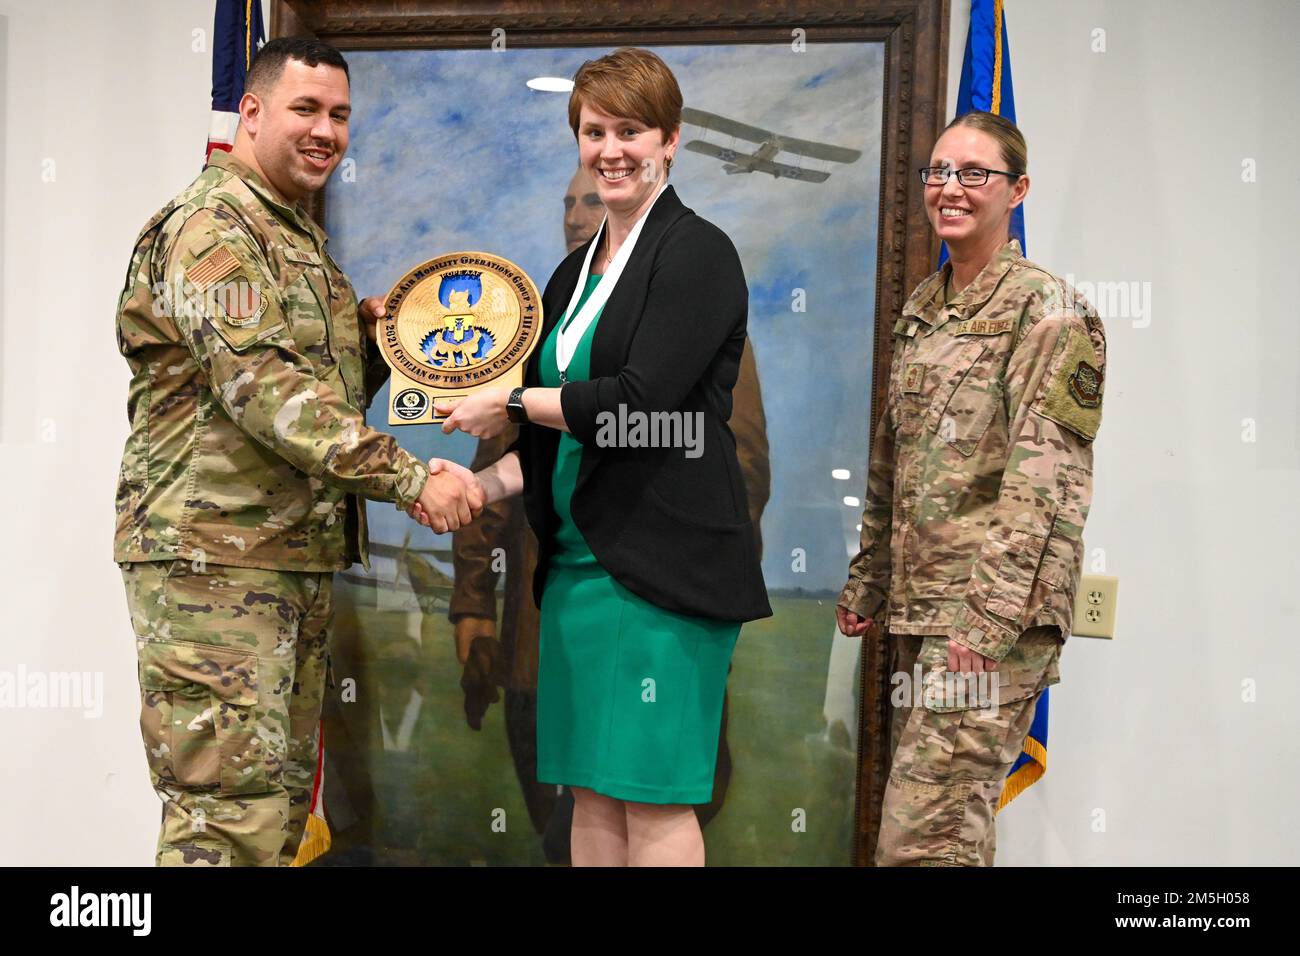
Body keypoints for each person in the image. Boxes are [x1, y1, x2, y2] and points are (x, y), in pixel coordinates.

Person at [114, 37, 480, 867]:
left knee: (274, 822)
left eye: (340, 115)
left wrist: (391, 341)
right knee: (226, 823)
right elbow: (269, 395)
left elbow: (318, 382)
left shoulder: (294, 238)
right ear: (250, 113)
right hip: (214, 571)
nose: (326, 131)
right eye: (305, 109)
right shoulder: (213, 230)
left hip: (280, 563)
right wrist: (413, 476)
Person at [421, 47, 771, 866]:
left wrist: (504, 402)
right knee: (591, 799)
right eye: (593, 130)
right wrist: (477, 484)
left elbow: (635, 406)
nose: (611, 148)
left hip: (662, 576)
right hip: (574, 574)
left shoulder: (698, 253)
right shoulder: (571, 273)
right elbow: (555, 439)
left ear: (672, 140)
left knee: (652, 802)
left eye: (631, 130)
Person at [836, 111, 1106, 866]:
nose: (950, 188)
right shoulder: (926, 308)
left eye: (974, 174)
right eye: (939, 172)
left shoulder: (1047, 312)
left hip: (990, 623)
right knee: (951, 836)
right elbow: (895, 456)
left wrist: (985, 626)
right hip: (926, 608)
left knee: (918, 845)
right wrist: (870, 579)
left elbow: (1044, 484)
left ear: (1017, 190)